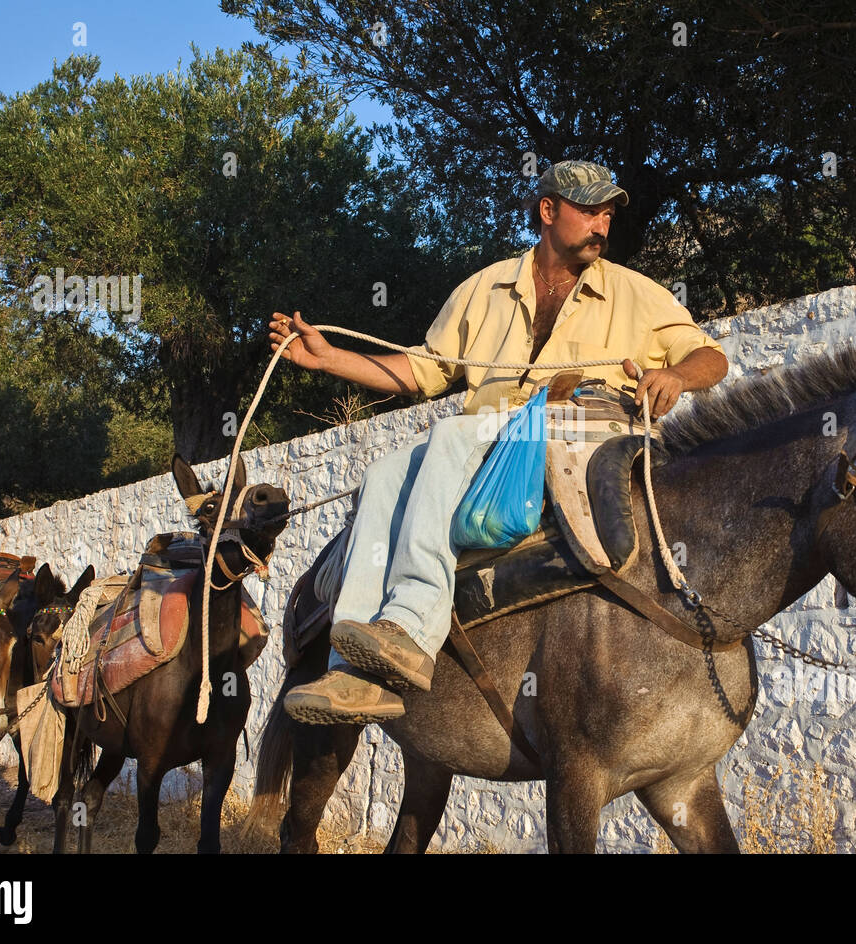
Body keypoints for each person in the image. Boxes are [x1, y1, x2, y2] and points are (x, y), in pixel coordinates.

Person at [269, 160, 728, 724]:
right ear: (548, 211)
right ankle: (351, 669)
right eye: (589, 210)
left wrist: (678, 377)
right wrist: (331, 358)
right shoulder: (482, 288)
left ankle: (411, 626)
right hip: (487, 446)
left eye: (608, 213)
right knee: (384, 474)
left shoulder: (640, 294)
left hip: (576, 431)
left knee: (453, 433)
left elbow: (711, 355)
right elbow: (425, 371)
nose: (602, 224)